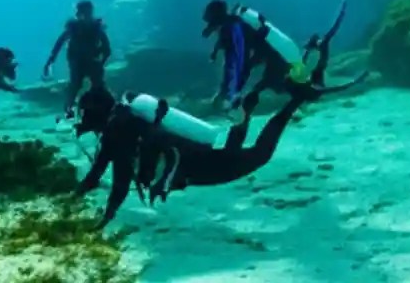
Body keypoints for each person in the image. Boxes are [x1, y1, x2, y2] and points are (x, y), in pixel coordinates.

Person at [73, 68, 367, 228]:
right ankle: (246, 113)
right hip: (195, 161)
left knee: (258, 156)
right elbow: (102, 172)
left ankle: (295, 99)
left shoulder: (117, 132)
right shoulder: (124, 124)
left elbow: (118, 180)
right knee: (233, 155)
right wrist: (77, 195)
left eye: (85, 114)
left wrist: (104, 218)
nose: (82, 121)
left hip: (195, 168)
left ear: (97, 112)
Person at [203, 0, 347, 110]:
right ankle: (312, 53)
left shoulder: (236, 30)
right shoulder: (240, 22)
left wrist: (225, 92)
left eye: (215, 27)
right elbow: (249, 57)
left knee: (279, 86)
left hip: (280, 56)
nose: (215, 32)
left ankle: (309, 86)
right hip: (282, 51)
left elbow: (237, 64)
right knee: (279, 83)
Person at [43, 0, 112, 119]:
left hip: (91, 60)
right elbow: (60, 42)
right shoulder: (74, 28)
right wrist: (50, 60)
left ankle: (101, 109)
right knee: (75, 85)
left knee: (97, 84)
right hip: (77, 61)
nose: (85, 15)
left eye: (87, 12)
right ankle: (69, 109)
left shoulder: (96, 28)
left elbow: (106, 48)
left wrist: (101, 62)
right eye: (83, 12)